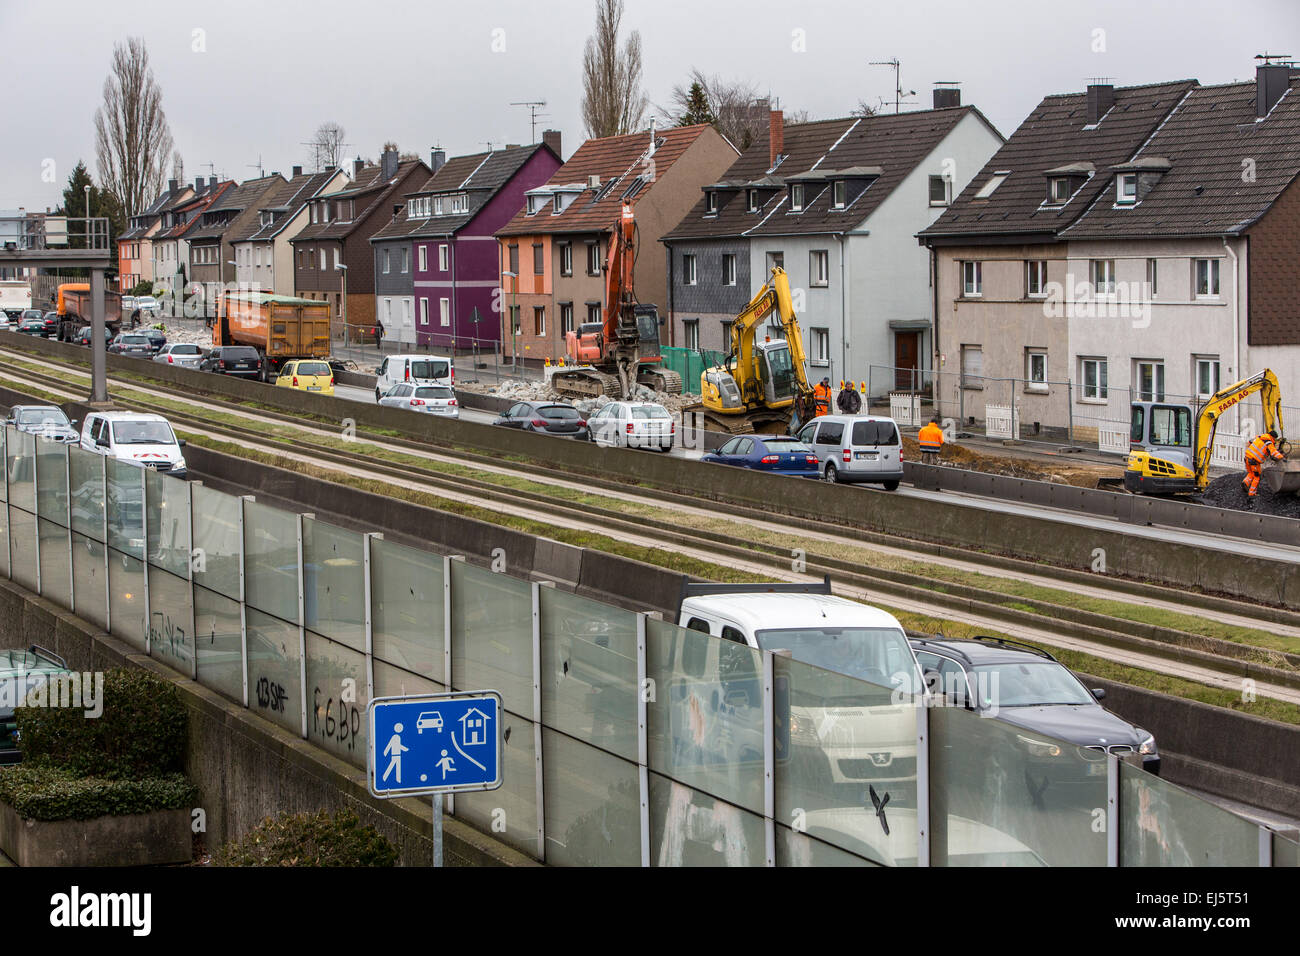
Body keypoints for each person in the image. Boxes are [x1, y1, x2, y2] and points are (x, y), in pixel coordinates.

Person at [1243, 429, 1285, 500]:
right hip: (1254, 461)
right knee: (1257, 477)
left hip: (1247, 457)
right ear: (1273, 437)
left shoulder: (1259, 437)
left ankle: (1245, 482)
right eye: (1275, 439)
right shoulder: (1268, 442)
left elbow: (1249, 442)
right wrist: (1282, 458)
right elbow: (1273, 452)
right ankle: (1251, 494)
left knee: (1251, 472)